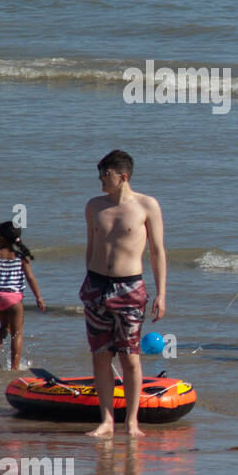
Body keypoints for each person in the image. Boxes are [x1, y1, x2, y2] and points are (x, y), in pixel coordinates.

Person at [81, 150, 166, 439]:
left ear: (123, 176)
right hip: (95, 285)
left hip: (129, 287)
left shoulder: (147, 205)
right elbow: (90, 247)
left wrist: (161, 293)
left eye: (105, 174)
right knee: (100, 356)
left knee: (130, 357)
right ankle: (106, 421)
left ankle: (131, 422)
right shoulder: (94, 206)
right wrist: (88, 284)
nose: (100, 180)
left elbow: (157, 251)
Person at [0, 222, 46, 369]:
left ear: (1, 238)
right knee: (17, 333)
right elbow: (31, 278)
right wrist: (39, 297)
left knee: (4, 326)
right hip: (13, 299)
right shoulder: (21, 257)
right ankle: (14, 368)